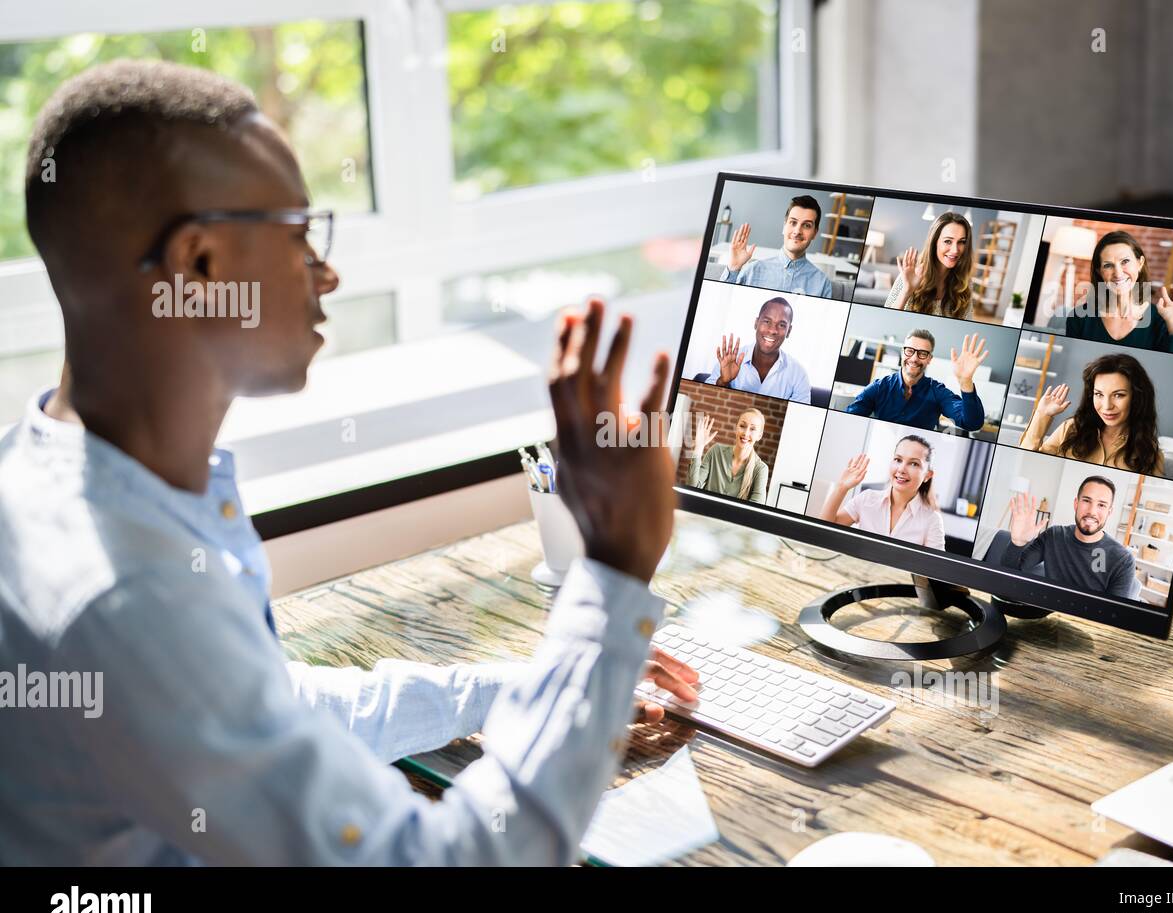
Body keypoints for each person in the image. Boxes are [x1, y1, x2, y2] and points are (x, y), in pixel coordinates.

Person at [0, 60, 700, 866]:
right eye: (300, 235)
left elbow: (263, 711)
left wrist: (529, 689)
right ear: (198, 269)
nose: (327, 273)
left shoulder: (44, 479)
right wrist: (613, 573)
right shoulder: (132, 597)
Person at [1018, 352, 1164, 475]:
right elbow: (1025, 464)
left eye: (1118, 395)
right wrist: (1042, 415)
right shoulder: (1071, 428)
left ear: (1136, 397)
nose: (1106, 406)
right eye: (1099, 394)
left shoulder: (1151, 454)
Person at [997, 479, 1137, 599]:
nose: (1092, 511)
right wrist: (1017, 542)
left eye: (1101, 505)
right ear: (1076, 504)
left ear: (1109, 512)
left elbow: (1114, 617)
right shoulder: (1054, 535)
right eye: (1086, 501)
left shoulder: (1123, 560)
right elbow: (1008, 574)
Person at [1064, 230, 1173, 354]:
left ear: (1140, 263)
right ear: (1099, 271)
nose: (1118, 273)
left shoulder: (1163, 321)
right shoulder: (1078, 318)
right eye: (1108, 265)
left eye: (1125, 261)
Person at [845, 329, 988, 433]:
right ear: (902, 352)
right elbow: (849, 419)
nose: (914, 358)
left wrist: (965, 381)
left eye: (922, 353)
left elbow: (972, 423)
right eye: (910, 350)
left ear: (929, 359)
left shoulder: (937, 392)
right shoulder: (879, 387)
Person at [817, 435, 946, 550]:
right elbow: (823, 532)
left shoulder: (932, 519)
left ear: (927, 475)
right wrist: (841, 487)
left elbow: (936, 570)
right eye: (898, 460)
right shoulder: (867, 499)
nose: (901, 469)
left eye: (913, 464)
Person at [720, 195, 834, 298]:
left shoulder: (823, 284)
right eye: (793, 222)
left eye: (807, 225)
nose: (797, 231)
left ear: (814, 233)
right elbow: (721, 303)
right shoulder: (752, 271)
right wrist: (733, 268)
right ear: (784, 226)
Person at [704, 295, 812, 403]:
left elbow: (798, 417)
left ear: (789, 331)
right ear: (756, 323)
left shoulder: (799, 375)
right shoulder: (730, 359)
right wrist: (723, 382)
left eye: (782, 325)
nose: (772, 330)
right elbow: (705, 401)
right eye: (767, 321)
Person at [884, 211, 974, 321]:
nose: (955, 250)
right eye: (948, 241)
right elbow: (887, 319)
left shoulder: (965, 284)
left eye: (962, 242)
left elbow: (965, 324)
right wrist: (906, 291)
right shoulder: (910, 274)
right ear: (934, 242)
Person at [689, 409, 770, 504]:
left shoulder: (760, 469)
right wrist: (698, 448)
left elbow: (756, 508)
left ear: (759, 435)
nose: (746, 433)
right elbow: (692, 487)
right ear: (736, 428)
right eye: (742, 426)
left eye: (752, 429)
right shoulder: (716, 451)